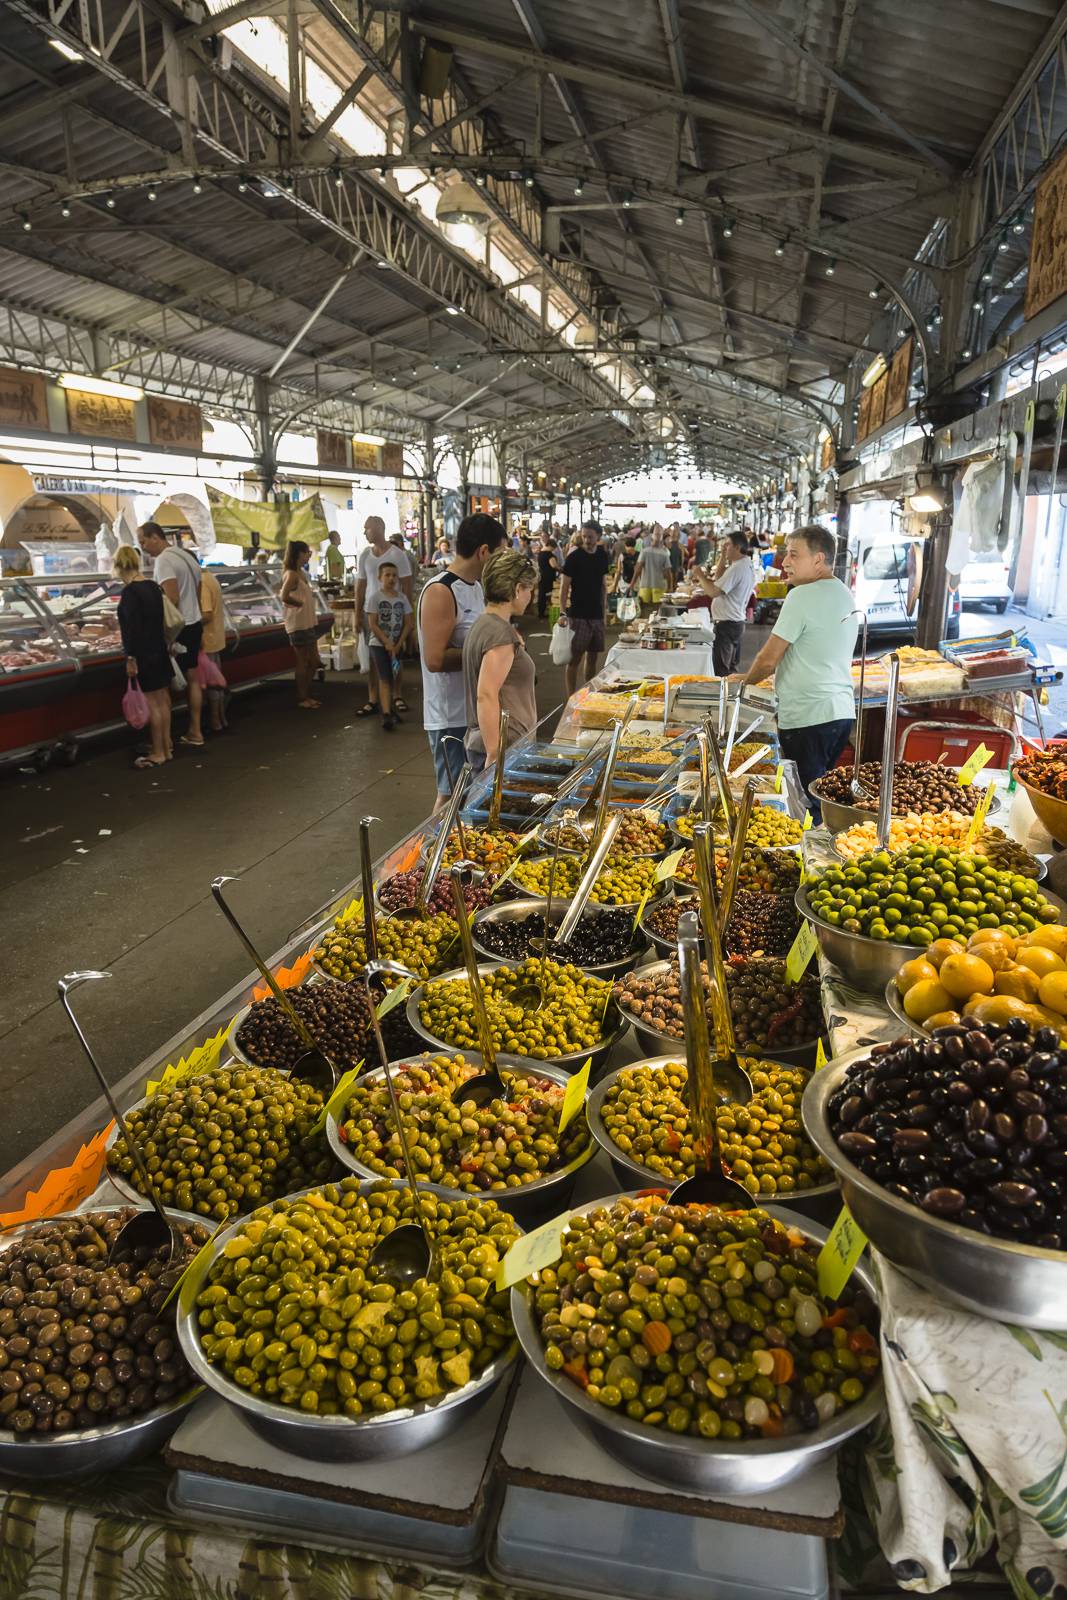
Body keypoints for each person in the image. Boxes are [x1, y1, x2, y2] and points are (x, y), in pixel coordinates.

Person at [731, 524, 858, 818]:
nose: (784, 562)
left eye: (793, 555)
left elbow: (768, 659)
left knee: (805, 805)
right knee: (821, 794)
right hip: (839, 714)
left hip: (807, 717)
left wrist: (745, 682)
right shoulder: (843, 592)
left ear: (818, 559)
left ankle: (808, 857)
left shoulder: (801, 596)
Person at [417, 511, 507, 810]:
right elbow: (434, 659)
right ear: (484, 552)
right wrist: (488, 653)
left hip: (473, 710)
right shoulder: (441, 591)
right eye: (500, 554)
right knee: (451, 797)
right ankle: (431, 853)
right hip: (450, 715)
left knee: (471, 796)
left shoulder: (477, 587)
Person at [463, 549, 538, 769]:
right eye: (529, 589)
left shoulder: (483, 624)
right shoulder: (501, 635)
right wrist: (494, 754)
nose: (530, 597)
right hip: (505, 747)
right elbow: (486, 695)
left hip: (491, 743)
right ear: (517, 589)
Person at [137, 521, 204, 747]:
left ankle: (164, 740)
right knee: (193, 680)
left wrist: (164, 632)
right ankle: (195, 730)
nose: (143, 547)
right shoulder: (187, 556)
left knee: (164, 685)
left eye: (143, 541)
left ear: (156, 536)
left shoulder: (164, 560)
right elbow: (197, 592)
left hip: (179, 628)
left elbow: (172, 597)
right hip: (194, 623)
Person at [114, 543, 172, 769]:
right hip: (159, 649)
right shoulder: (152, 586)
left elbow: (131, 630)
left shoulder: (130, 592)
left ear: (118, 566)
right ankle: (166, 748)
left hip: (144, 654)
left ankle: (157, 752)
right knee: (163, 702)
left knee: (153, 705)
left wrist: (130, 658)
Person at [355, 516, 414, 717]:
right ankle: (373, 698)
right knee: (373, 656)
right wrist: (357, 614)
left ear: (379, 528)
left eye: (367, 528)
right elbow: (360, 586)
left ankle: (397, 695)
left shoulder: (398, 555)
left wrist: (408, 616)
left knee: (395, 652)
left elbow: (407, 585)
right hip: (370, 611)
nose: (365, 532)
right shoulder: (364, 555)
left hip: (395, 612)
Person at [691, 530, 756, 677]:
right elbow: (719, 578)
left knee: (722, 671)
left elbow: (714, 591)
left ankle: (725, 698)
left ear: (738, 547)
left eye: (728, 545)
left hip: (728, 624)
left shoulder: (738, 568)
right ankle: (729, 697)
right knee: (729, 668)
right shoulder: (741, 564)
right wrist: (722, 556)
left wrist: (700, 576)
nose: (725, 547)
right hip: (734, 622)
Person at [558, 519, 611, 697]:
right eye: (584, 536)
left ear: (598, 537)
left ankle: (589, 695)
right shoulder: (574, 557)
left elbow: (603, 586)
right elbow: (564, 586)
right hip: (578, 615)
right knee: (574, 659)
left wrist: (604, 613)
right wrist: (563, 612)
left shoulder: (602, 555)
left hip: (596, 615)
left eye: (590, 536)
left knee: (593, 657)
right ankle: (570, 697)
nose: (587, 540)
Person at [367, 560, 414, 732]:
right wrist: (387, 642)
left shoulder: (402, 599)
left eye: (394, 575)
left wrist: (398, 643)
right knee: (384, 677)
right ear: (380, 577)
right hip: (379, 644)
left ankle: (390, 707)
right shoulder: (375, 598)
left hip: (396, 644)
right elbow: (373, 624)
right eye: (387, 575)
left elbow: (409, 623)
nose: (391, 578)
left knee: (395, 674)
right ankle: (386, 713)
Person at [280, 540, 321, 709]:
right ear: (299, 554)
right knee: (304, 661)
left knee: (313, 661)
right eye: (307, 553)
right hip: (298, 624)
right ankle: (303, 697)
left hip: (307, 623)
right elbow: (284, 595)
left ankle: (306, 694)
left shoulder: (300, 573)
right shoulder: (292, 574)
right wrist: (299, 604)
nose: (308, 556)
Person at [198, 562, 228, 733]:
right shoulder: (211, 577)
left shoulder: (202, 582)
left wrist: (189, 621)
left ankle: (215, 721)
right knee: (217, 682)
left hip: (207, 640)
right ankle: (221, 718)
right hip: (216, 637)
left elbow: (207, 614)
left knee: (211, 684)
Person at [632, 528, 672, 611]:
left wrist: (632, 583)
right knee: (658, 610)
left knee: (644, 610)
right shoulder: (664, 553)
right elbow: (668, 572)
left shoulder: (645, 551)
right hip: (659, 585)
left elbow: (638, 569)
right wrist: (670, 586)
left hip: (645, 585)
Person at [536, 534, 558, 619]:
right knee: (548, 595)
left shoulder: (541, 553)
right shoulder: (549, 555)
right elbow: (554, 566)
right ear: (551, 546)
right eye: (554, 548)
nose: (554, 550)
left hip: (542, 575)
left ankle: (540, 612)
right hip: (548, 577)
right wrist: (560, 569)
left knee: (541, 595)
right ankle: (549, 612)